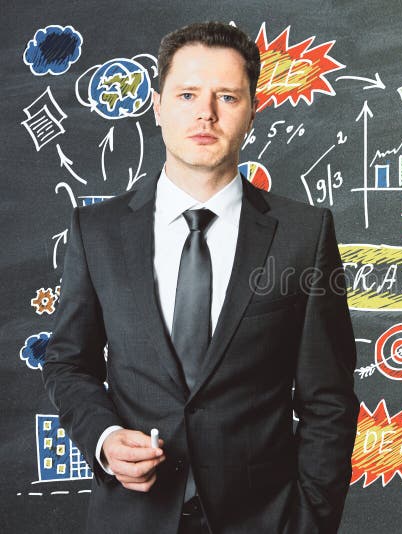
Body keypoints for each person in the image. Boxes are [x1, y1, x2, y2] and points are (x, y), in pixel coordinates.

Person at [43, 22, 359, 534]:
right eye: (187, 93)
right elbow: (67, 362)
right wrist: (102, 438)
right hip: (131, 517)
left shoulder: (305, 233)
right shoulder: (95, 231)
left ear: (252, 110)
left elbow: (329, 399)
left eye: (227, 97)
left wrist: (310, 522)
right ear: (158, 104)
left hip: (266, 520)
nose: (204, 113)